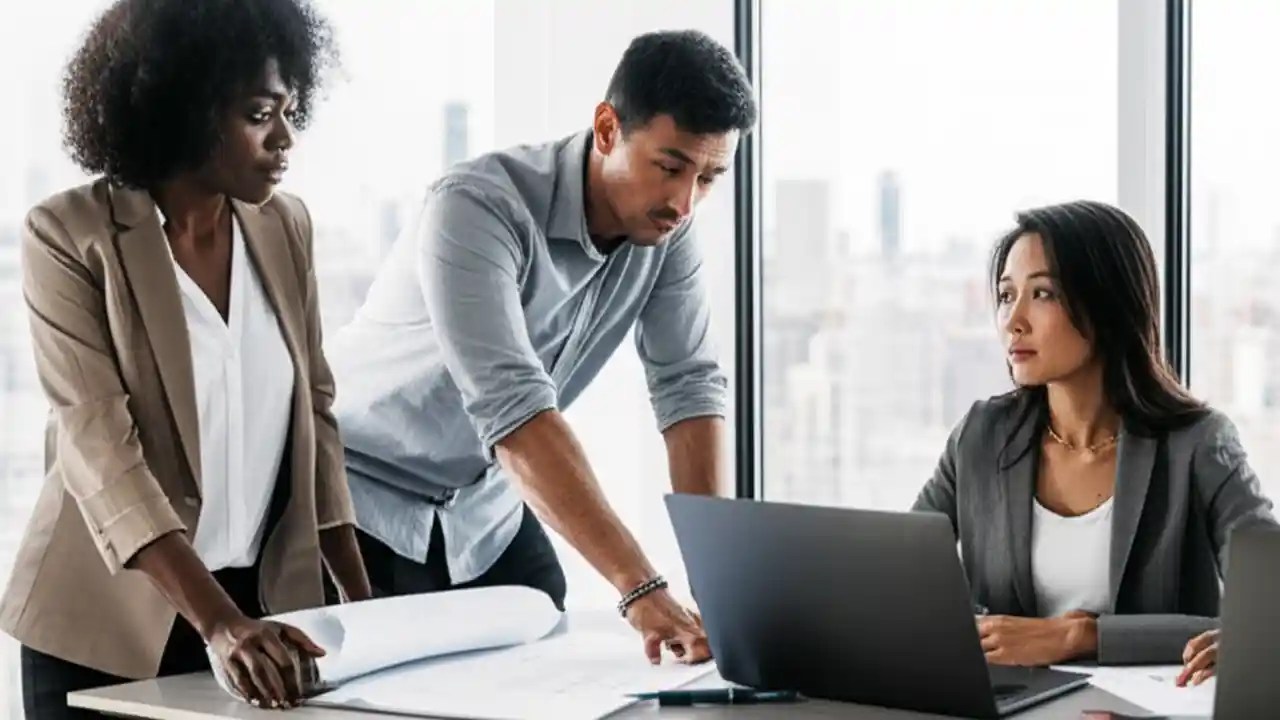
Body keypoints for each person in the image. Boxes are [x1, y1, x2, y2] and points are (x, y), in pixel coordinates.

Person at [326, 29, 756, 664]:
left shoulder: (668, 233)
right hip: (363, 498)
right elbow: (515, 411)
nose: (684, 202)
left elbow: (689, 390)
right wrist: (641, 587)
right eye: (670, 167)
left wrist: (719, 588)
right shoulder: (477, 207)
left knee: (544, 640)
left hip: (482, 509)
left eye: (710, 178)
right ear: (607, 129)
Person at [0, 1, 371, 716]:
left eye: (290, 108)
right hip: (104, 626)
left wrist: (361, 601)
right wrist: (217, 622)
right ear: (186, 108)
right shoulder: (70, 235)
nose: (286, 137)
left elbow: (315, 420)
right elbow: (99, 449)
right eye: (260, 113)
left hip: (261, 616)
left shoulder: (286, 225)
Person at [913, 200, 1276, 668]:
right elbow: (910, 584)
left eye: (1042, 294)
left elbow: (1267, 613)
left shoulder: (1199, 444)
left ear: (1108, 302)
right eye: (1007, 295)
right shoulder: (981, 437)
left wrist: (1084, 636)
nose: (1014, 320)